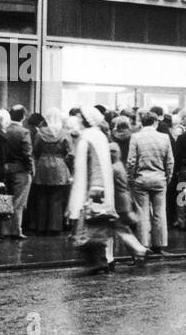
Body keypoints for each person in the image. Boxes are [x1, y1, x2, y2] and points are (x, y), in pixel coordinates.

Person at [65, 109, 116, 276]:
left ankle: (97, 262)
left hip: (89, 190)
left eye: (81, 117)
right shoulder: (99, 136)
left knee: (89, 228)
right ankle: (99, 261)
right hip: (97, 189)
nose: (78, 120)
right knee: (96, 228)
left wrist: (93, 191)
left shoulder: (87, 138)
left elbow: (92, 166)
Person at [126, 111, 174, 253]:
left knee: (142, 213)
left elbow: (131, 161)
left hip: (141, 179)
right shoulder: (164, 137)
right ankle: (159, 245)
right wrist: (167, 178)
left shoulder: (135, 137)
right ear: (155, 122)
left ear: (142, 122)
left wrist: (130, 179)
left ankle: (144, 246)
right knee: (160, 213)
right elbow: (170, 161)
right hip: (159, 179)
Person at [28, 111, 72, 235]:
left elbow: (35, 150)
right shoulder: (64, 133)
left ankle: (41, 226)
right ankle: (55, 226)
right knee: (56, 197)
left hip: (42, 165)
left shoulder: (40, 132)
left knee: (42, 196)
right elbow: (69, 151)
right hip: (59, 165)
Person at [3, 106, 34, 239]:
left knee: (6, 200)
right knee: (19, 201)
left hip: (6, 169)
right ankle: (16, 230)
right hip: (21, 170)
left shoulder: (4, 130)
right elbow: (27, 153)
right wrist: (31, 168)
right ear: (23, 116)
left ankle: (4, 230)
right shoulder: (24, 132)